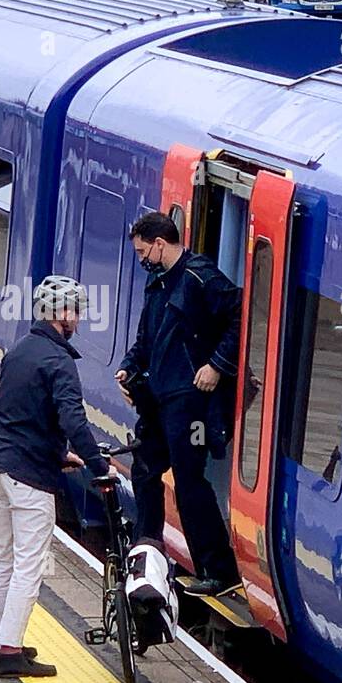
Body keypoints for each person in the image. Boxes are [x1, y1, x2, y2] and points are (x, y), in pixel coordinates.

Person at [0, 277, 110, 679]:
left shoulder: (19, 351)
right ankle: (10, 651)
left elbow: (16, 411)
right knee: (29, 564)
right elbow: (72, 419)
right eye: (75, 310)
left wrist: (60, 455)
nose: (78, 318)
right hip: (29, 477)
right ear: (62, 314)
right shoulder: (59, 362)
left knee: (4, 558)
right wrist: (98, 465)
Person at [117, 212, 241, 596]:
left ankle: (219, 570)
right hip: (159, 398)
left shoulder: (200, 276)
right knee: (144, 469)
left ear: (160, 243)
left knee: (190, 482)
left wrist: (217, 365)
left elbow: (241, 315)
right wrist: (128, 366)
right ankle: (147, 552)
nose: (141, 260)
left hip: (190, 401)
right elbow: (146, 339)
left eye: (143, 251)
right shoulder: (158, 283)